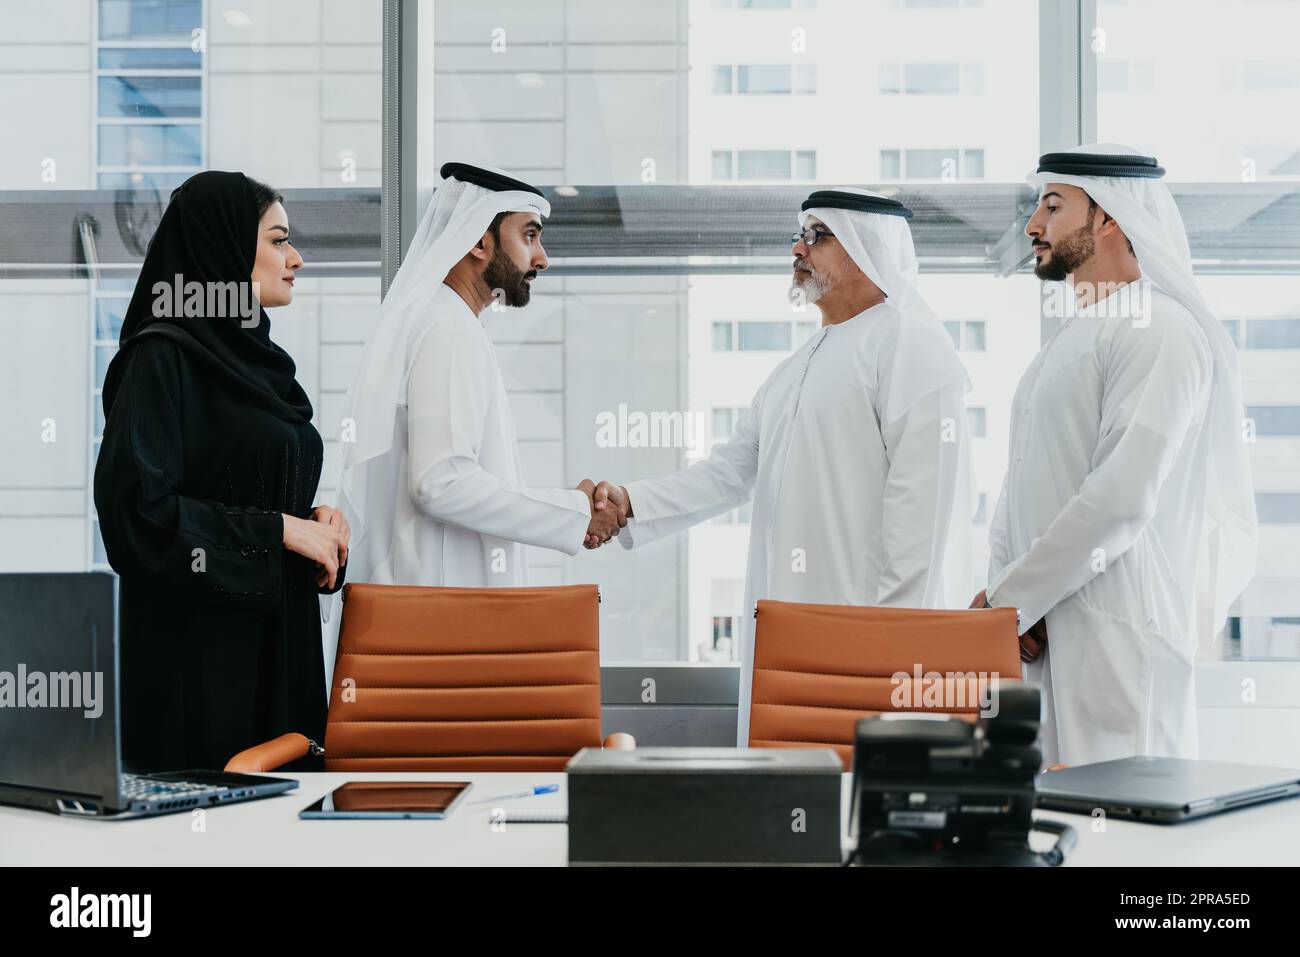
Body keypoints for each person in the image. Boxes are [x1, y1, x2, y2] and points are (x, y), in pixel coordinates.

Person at [591, 188, 974, 745]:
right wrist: (633, 503)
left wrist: (888, 646)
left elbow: (925, 518)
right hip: (785, 643)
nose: (799, 248)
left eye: (818, 236)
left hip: (866, 645)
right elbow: (731, 471)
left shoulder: (911, 344)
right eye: (799, 235)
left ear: (870, 249)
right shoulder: (797, 366)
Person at [976, 144, 1258, 766]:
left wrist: (1010, 602)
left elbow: (1122, 496)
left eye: (1053, 206)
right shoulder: (1073, 338)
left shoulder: (1160, 329)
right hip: (1044, 627)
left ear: (1108, 218)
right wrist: (1013, 598)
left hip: (1117, 630)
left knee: (1123, 837)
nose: (1032, 226)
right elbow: (1024, 486)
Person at [94, 171, 349, 772]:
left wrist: (317, 527)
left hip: (283, 655)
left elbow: (249, 487)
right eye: (279, 240)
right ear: (224, 249)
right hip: (199, 672)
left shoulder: (261, 365)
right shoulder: (160, 359)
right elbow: (136, 518)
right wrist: (278, 531)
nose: (296, 259)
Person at [334, 162, 622, 596]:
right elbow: (440, 484)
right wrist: (575, 510)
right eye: (529, 235)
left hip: (432, 608)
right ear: (479, 241)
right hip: (438, 620)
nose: (542, 258)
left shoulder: (445, 321)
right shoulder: (447, 328)